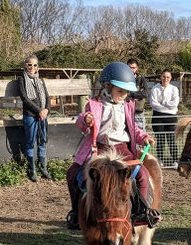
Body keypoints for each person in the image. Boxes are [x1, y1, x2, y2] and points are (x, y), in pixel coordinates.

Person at [66, 62, 160, 230]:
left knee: (143, 175)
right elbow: (82, 123)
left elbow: (133, 129)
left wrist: (144, 137)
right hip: (100, 148)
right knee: (73, 174)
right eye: (120, 91)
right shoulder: (94, 105)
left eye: (126, 92)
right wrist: (85, 120)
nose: (124, 95)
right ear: (107, 86)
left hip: (123, 149)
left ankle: (141, 211)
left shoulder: (127, 106)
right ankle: (76, 213)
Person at [16, 55, 51, 182]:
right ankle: (32, 170)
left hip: (43, 115)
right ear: (25, 66)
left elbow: (47, 96)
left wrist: (46, 110)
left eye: (35, 65)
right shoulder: (22, 80)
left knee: (42, 140)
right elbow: (25, 99)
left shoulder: (40, 80)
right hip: (31, 115)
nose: (32, 67)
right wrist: (39, 110)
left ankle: (43, 168)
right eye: (30, 64)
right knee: (30, 142)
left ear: (38, 67)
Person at [148, 69, 180, 164]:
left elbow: (175, 104)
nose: (165, 79)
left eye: (168, 77)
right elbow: (153, 104)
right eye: (164, 76)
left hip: (171, 117)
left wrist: (162, 102)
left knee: (171, 139)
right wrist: (167, 106)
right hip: (158, 116)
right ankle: (160, 160)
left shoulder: (174, 89)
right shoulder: (155, 88)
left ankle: (175, 160)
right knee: (160, 139)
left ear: (170, 78)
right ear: (161, 77)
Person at [126, 58, 149, 132]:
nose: (131, 69)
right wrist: (138, 93)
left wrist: (131, 94)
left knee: (140, 133)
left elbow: (145, 93)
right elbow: (122, 94)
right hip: (125, 111)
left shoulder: (142, 80)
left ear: (137, 68)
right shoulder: (123, 79)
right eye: (129, 67)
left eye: (133, 67)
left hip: (138, 111)